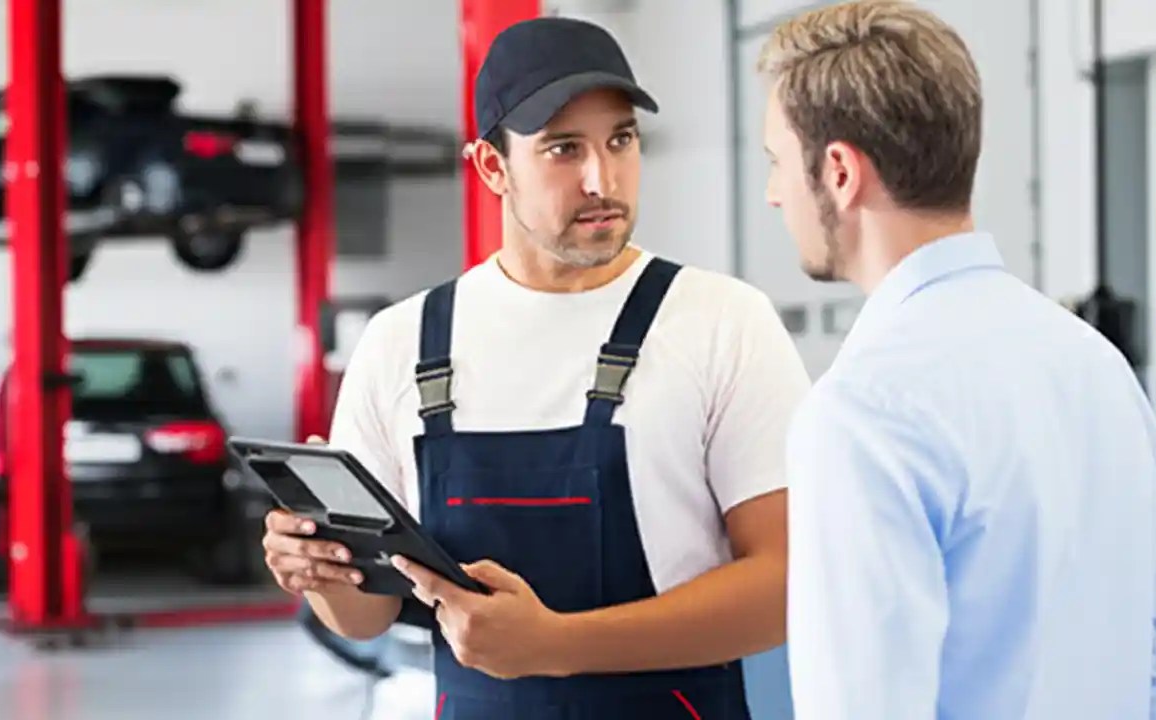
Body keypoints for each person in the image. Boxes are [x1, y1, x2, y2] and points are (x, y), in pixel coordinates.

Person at [261, 16, 811, 720]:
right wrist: (318, 573)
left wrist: (558, 644)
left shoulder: (722, 321)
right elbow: (364, 618)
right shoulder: (401, 345)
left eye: (620, 140)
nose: (601, 178)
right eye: (562, 149)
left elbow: (785, 584)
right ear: (492, 167)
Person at [754, 1, 1156, 718]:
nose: (774, 192)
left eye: (777, 161)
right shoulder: (1097, 367)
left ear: (838, 171)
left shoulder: (862, 410)